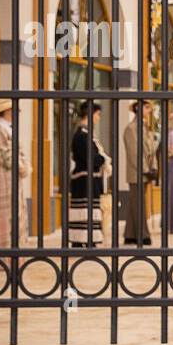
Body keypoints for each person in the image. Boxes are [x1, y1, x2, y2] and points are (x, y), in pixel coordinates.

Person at [0, 97, 29, 266]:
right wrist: (23, 166)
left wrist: (23, 165)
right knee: (4, 214)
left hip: (12, 175)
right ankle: (3, 258)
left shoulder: (8, 128)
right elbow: (5, 155)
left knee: (15, 213)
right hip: (2, 176)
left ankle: (13, 256)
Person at [69, 100, 110, 247]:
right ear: (90, 114)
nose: (99, 118)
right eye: (98, 114)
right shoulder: (82, 135)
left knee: (89, 209)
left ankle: (87, 239)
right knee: (85, 209)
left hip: (89, 179)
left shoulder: (86, 134)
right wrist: (103, 158)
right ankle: (83, 239)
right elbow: (91, 158)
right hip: (84, 180)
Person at [122, 99, 159, 245]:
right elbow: (134, 153)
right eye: (147, 107)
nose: (149, 110)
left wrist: (154, 167)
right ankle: (143, 235)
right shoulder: (131, 128)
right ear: (138, 108)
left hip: (146, 171)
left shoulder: (145, 127)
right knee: (139, 205)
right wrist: (145, 170)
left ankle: (130, 234)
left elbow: (151, 150)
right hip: (136, 172)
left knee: (134, 203)